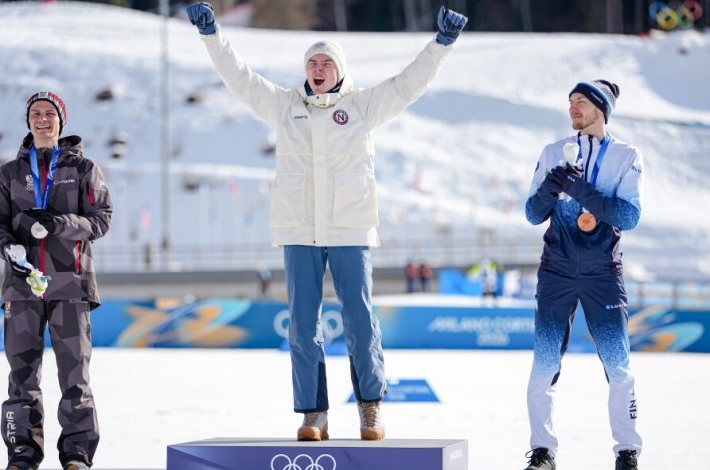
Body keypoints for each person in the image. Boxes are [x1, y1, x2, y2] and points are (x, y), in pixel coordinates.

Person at [186, 1, 467, 441]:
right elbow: (239, 78)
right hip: (299, 230)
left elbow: (407, 84)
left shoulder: (362, 107)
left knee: (359, 318)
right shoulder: (284, 106)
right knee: (302, 323)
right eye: (312, 63)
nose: (318, 69)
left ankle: (370, 407)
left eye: (326, 62)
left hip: (350, 229)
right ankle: (313, 414)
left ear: (338, 69)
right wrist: (212, 35)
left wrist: (441, 45)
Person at [0, 91, 113, 470]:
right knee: (21, 378)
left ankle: (76, 454)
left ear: (61, 121)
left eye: (49, 114)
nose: (42, 119)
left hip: (70, 286)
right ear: (28, 122)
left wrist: (62, 224)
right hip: (21, 289)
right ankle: (21, 452)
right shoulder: (8, 174)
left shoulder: (85, 170)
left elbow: (101, 219)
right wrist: (10, 250)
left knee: (75, 376)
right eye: (36, 114)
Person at [523, 80, 643, 470]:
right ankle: (543, 451)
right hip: (555, 270)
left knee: (618, 365)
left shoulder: (626, 155)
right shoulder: (553, 150)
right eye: (570, 101)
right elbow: (532, 213)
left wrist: (579, 187)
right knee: (544, 365)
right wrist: (551, 188)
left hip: (602, 273)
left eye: (581, 102)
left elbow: (628, 215)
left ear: (601, 109)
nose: (573, 108)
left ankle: (627, 451)